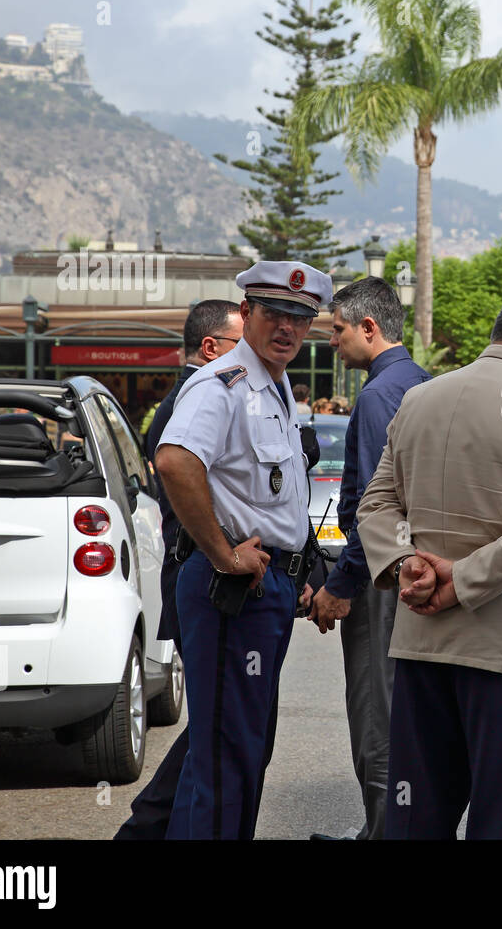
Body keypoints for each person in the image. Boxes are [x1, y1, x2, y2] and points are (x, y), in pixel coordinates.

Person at [356, 289, 502, 839]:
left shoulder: (420, 399)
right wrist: (459, 580)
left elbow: (377, 503)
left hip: (422, 643)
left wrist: (405, 564)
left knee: (418, 817)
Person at [155, 261, 330, 840]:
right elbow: (175, 460)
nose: (288, 328)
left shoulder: (274, 385)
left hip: (265, 586)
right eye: (276, 314)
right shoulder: (222, 383)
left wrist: (299, 569)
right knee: (229, 756)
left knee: (238, 749)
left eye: (300, 319)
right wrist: (225, 553)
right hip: (230, 586)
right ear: (248, 313)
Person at [115, 298, 243, 840]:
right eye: (244, 343)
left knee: (218, 726)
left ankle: (153, 825)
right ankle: (151, 826)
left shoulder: (198, 396)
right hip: (204, 571)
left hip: (202, 570)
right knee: (218, 728)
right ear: (211, 347)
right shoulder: (193, 401)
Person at [309, 276, 430, 840]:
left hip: (385, 581)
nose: (332, 341)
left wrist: (341, 586)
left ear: (368, 327)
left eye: (337, 330)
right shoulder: (424, 383)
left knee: (376, 721)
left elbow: (379, 510)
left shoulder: (381, 396)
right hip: (417, 573)